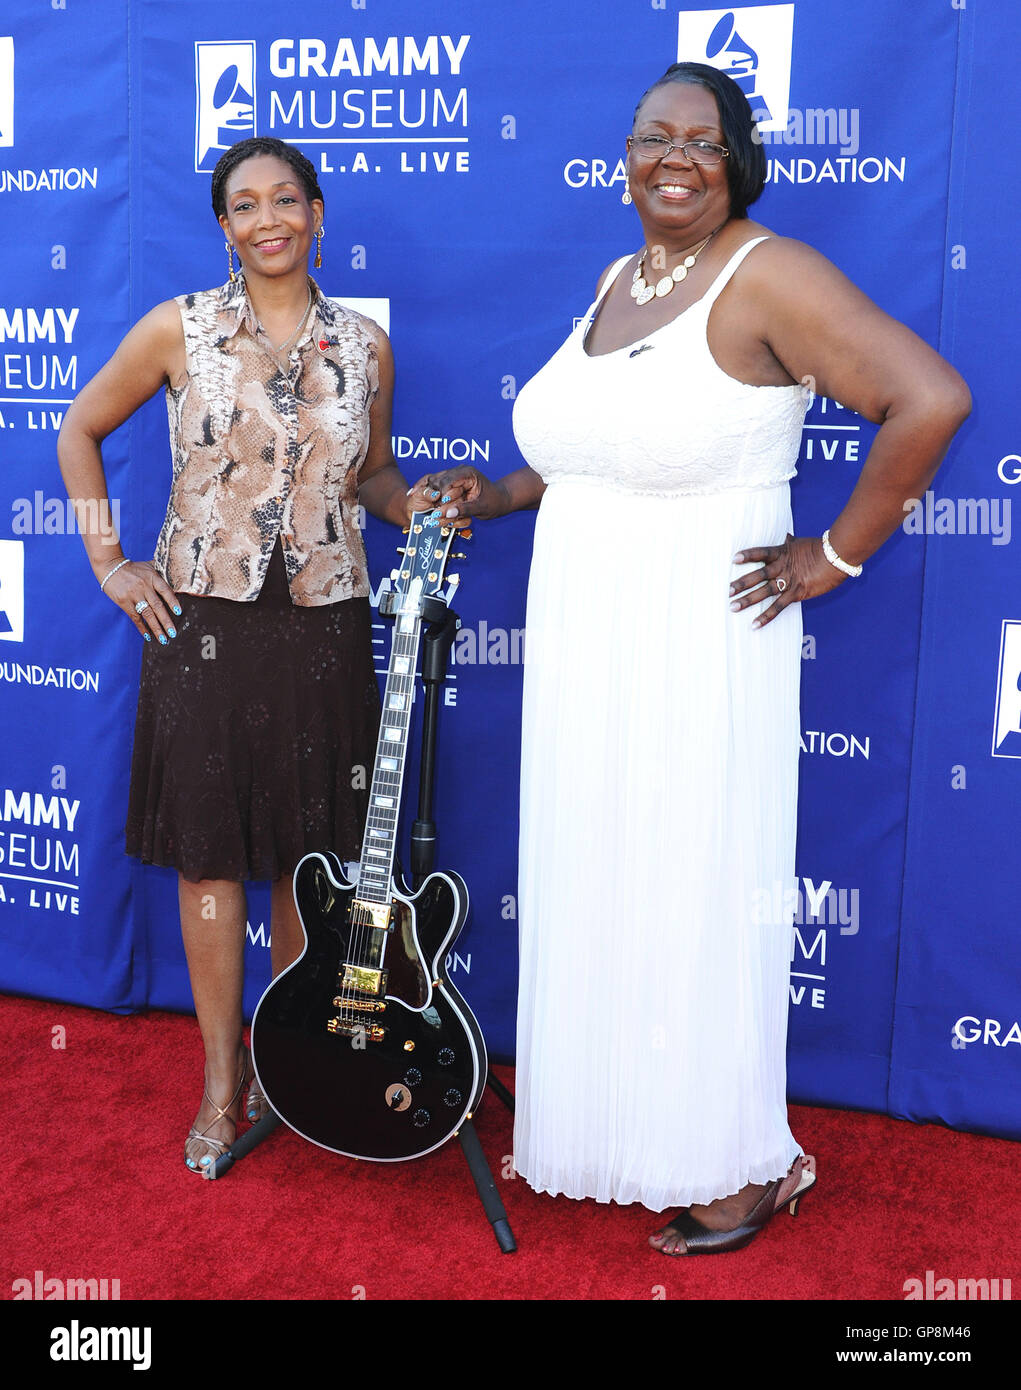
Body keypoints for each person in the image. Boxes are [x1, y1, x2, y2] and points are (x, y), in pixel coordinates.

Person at [414, 63, 970, 1254]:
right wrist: (498, 494)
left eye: (702, 142)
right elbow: (599, 453)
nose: (674, 157)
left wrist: (834, 554)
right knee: (602, 876)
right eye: (652, 136)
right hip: (585, 638)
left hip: (695, 645)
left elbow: (927, 397)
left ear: (739, 164)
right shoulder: (622, 278)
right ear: (623, 158)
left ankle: (743, 1159)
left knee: (697, 888)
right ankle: (624, 1131)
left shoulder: (767, 273)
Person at [58, 137, 428, 1174]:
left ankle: (289, 1057)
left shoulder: (364, 344)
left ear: (317, 212)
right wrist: (109, 560)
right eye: (244, 204)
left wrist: (422, 503)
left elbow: (377, 477)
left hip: (324, 625)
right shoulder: (179, 329)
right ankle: (224, 1082)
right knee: (213, 857)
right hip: (202, 628)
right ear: (224, 226)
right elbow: (79, 428)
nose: (267, 218)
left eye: (285, 199)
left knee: (307, 866)